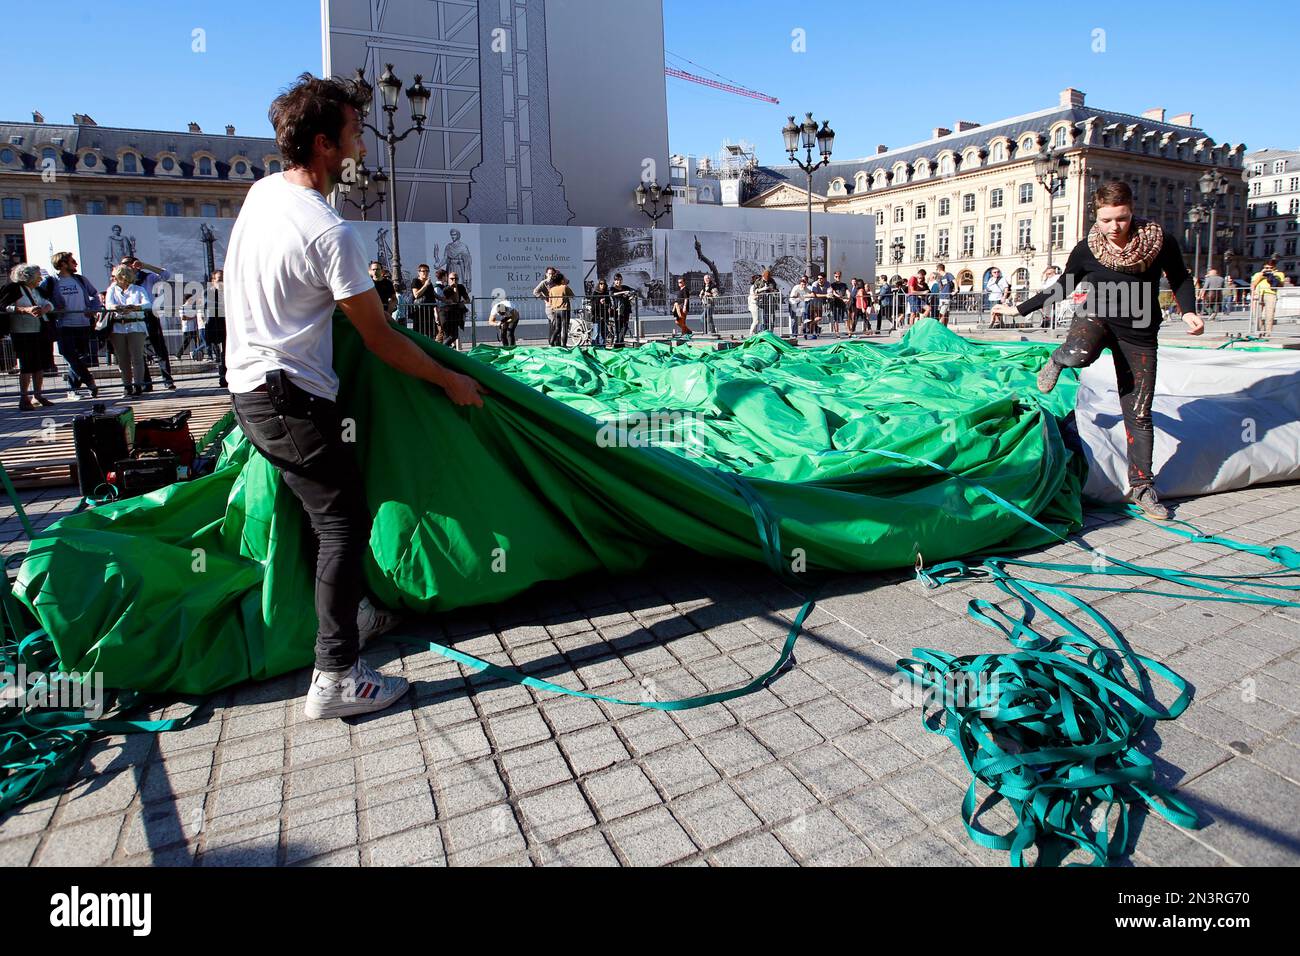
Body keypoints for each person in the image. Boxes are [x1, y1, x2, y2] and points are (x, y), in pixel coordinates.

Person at [225, 72, 483, 720]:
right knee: (343, 521)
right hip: (290, 399)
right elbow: (382, 340)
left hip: (251, 391)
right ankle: (336, 676)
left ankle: (354, 613)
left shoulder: (262, 197)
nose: (363, 144)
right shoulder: (327, 230)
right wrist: (452, 379)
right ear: (323, 145)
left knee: (323, 515)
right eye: (353, 133)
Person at [992, 179, 1203, 520]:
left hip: (1140, 330)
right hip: (1096, 315)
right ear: (1096, 217)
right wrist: (1020, 309)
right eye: (1106, 220)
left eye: (1120, 218)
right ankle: (1058, 358)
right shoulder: (1088, 248)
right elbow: (1064, 285)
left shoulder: (1158, 241)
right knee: (1079, 354)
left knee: (1138, 412)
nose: (1114, 227)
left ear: (1131, 211)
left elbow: (1179, 277)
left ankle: (1143, 487)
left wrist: (1189, 310)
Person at [1, 263, 58, 409]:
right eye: (38, 275)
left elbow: (49, 303)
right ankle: (23, 397)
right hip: (22, 331)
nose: (40, 278)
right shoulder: (13, 289)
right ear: (28, 276)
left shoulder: (37, 290)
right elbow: (5, 306)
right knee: (27, 365)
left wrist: (44, 309)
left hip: (39, 330)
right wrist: (25, 309)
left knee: (39, 364)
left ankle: (37, 395)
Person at [46, 251, 101, 398]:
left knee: (81, 356)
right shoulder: (51, 281)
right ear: (63, 264)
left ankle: (73, 389)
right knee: (67, 354)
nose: (75, 263)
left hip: (83, 323)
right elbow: (41, 298)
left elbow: (95, 295)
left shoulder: (80, 280)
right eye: (72, 261)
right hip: (63, 324)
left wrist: (93, 309)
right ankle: (89, 381)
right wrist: (53, 308)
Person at [122, 256, 177, 391]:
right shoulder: (123, 281)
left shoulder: (148, 277)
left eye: (128, 263)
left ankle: (167, 380)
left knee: (159, 348)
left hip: (149, 314)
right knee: (139, 350)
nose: (126, 266)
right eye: (123, 264)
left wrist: (145, 265)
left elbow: (166, 275)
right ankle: (146, 382)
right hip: (134, 317)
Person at [101, 264, 151, 397]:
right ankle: (127, 385)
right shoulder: (112, 289)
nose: (113, 279)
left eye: (115, 276)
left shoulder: (138, 289)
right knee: (122, 358)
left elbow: (147, 304)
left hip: (135, 325)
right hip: (118, 326)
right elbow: (108, 305)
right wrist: (117, 307)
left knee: (137, 357)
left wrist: (134, 307)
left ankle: (138, 385)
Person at [203, 269, 228, 388]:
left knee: (227, 354)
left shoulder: (229, 292)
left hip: (227, 327)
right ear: (213, 281)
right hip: (216, 328)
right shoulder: (209, 293)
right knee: (221, 355)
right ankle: (223, 378)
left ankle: (226, 377)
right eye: (219, 280)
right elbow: (210, 308)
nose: (222, 282)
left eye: (224, 279)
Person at [1251, 258, 1286, 336]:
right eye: (1266, 268)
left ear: (1274, 268)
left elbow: (1281, 285)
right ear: (1263, 267)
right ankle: (1259, 332)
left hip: (1271, 294)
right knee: (1257, 314)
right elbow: (1253, 284)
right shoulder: (1258, 274)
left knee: (1269, 315)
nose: (1268, 270)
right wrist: (1261, 275)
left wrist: (1273, 277)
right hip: (1258, 293)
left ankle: (1268, 333)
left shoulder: (1279, 274)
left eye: (1271, 268)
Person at [438, 271, 469, 349]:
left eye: (456, 279)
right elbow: (455, 299)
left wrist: (463, 302)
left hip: (455, 314)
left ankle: (443, 350)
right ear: (448, 279)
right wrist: (454, 288)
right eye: (452, 278)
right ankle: (442, 349)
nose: (454, 280)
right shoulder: (446, 288)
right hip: (446, 314)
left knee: (454, 335)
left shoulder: (461, 287)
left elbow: (467, 299)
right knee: (448, 335)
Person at [547, 271, 574, 346]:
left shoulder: (552, 289)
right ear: (562, 280)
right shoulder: (564, 287)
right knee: (565, 328)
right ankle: (564, 345)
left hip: (556, 310)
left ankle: (551, 343)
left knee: (557, 328)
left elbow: (550, 300)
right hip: (564, 309)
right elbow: (572, 295)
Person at [610, 273, 635, 345]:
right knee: (618, 327)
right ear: (614, 281)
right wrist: (624, 292)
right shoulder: (612, 288)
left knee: (625, 326)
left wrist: (631, 296)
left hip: (626, 309)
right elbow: (612, 294)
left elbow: (634, 291)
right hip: (617, 310)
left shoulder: (625, 287)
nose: (618, 282)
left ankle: (619, 341)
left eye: (620, 280)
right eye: (617, 280)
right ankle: (619, 342)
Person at [754, 269, 779, 335]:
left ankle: (771, 331)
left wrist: (771, 290)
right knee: (763, 318)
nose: (767, 280)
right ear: (763, 276)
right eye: (765, 279)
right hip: (762, 303)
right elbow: (755, 291)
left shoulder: (772, 281)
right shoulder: (758, 281)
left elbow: (776, 290)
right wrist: (763, 289)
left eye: (768, 279)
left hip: (771, 302)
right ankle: (763, 332)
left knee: (771, 317)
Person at [932, 263, 955, 327]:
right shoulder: (941, 277)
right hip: (942, 297)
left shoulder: (948, 275)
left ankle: (940, 327)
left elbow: (955, 281)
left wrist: (955, 290)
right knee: (944, 314)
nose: (936, 271)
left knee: (942, 314)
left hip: (946, 297)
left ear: (939, 270)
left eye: (937, 270)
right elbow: (942, 287)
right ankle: (945, 327)